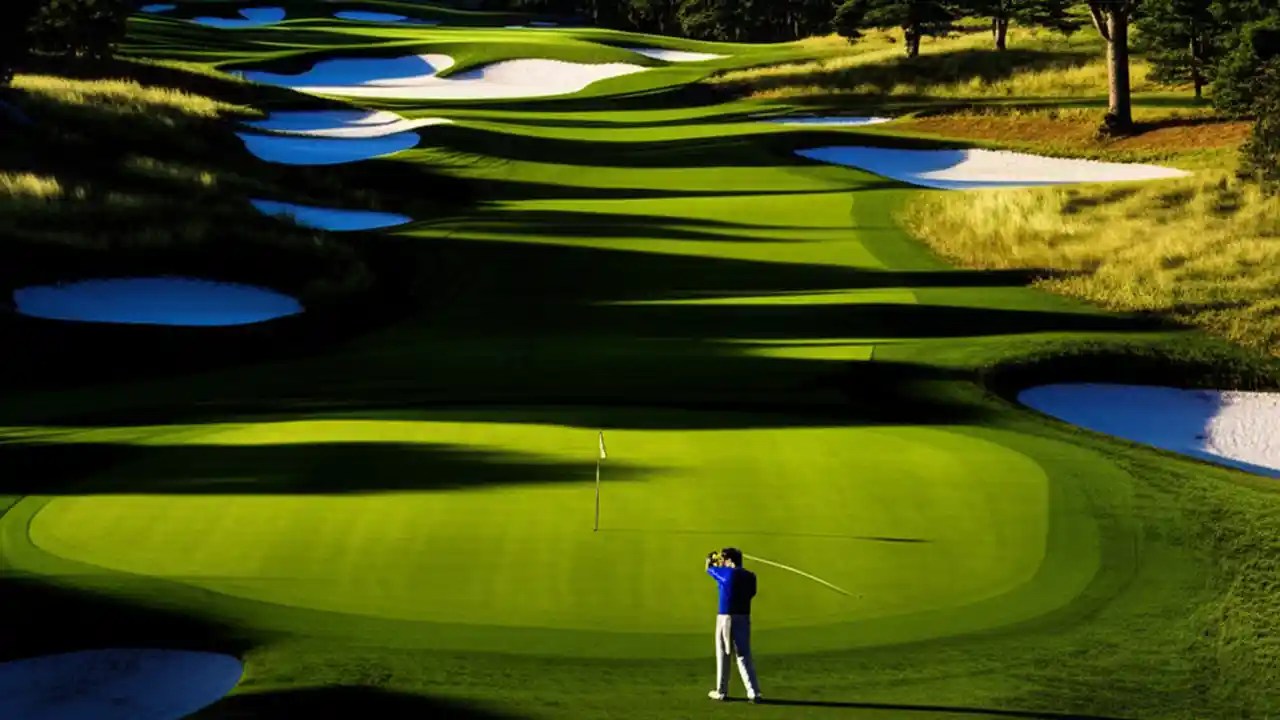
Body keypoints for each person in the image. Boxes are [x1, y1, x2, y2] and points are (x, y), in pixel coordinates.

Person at [705, 547, 762, 704]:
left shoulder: (728, 573)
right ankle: (754, 692)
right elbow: (752, 593)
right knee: (744, 655)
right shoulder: (751, 576)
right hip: (744, 617)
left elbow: (710, 570)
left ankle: (721, 691)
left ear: (729, 560)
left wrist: (710, 560)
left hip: (726, 618)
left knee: (723, 654)